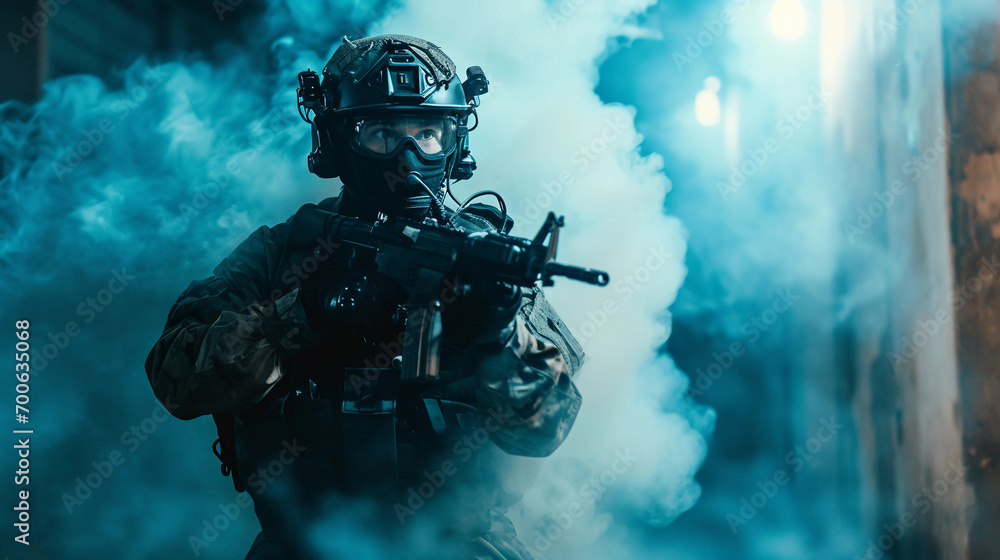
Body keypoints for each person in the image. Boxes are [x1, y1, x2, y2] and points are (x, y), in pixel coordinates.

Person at [145, 34, 584, 560]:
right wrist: (306, 312)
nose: (407, 156)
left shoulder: (481, 258)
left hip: (459, 547)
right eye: (379, 132)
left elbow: (544, 431)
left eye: (428, 132)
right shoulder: (284, 252)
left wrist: (498, 333)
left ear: (455, 141)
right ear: (335, 141)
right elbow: (176, 377)